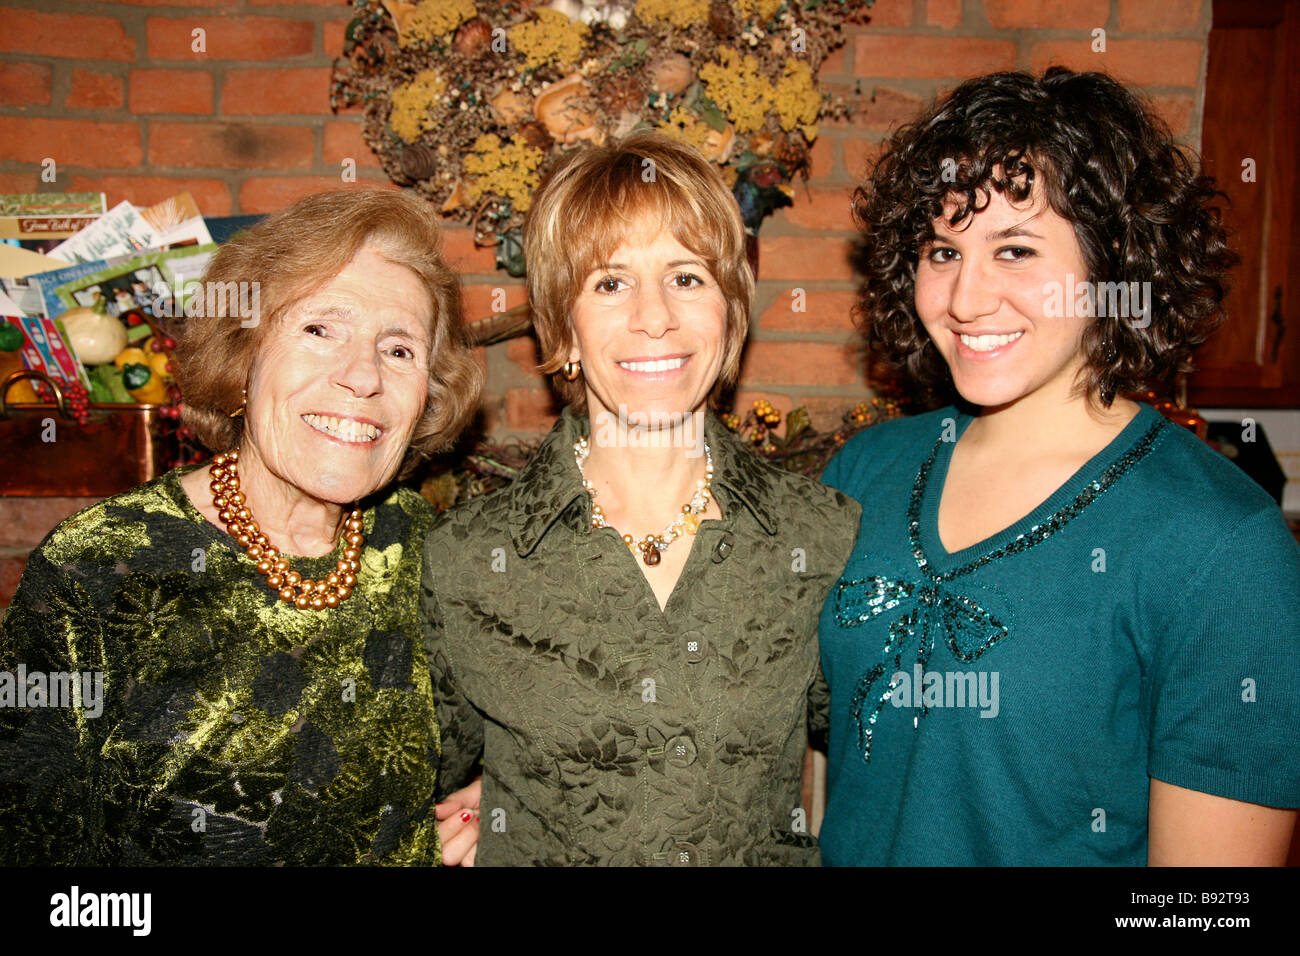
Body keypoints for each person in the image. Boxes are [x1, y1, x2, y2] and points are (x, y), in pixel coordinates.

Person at [818, 68, 1300, 865]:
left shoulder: (1224, 547)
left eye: (1014, 248)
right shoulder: (864, 471)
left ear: (1114, 269)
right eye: (944, 250)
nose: (967, 298)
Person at [0, 189, 484, 865]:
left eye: (399, 350)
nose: (363, 377)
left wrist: (493, 799)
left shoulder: (423, 542)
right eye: (320, 330)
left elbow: (527, 722)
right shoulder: (99, 567)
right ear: (243, 357)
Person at [421, 132, 861, 865]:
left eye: (687, 278)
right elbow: (395, 787)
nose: (654, 316)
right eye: (610, 282)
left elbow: (892, 762)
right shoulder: (467, 560)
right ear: (562, 326)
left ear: (731, 310)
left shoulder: (819, 539)